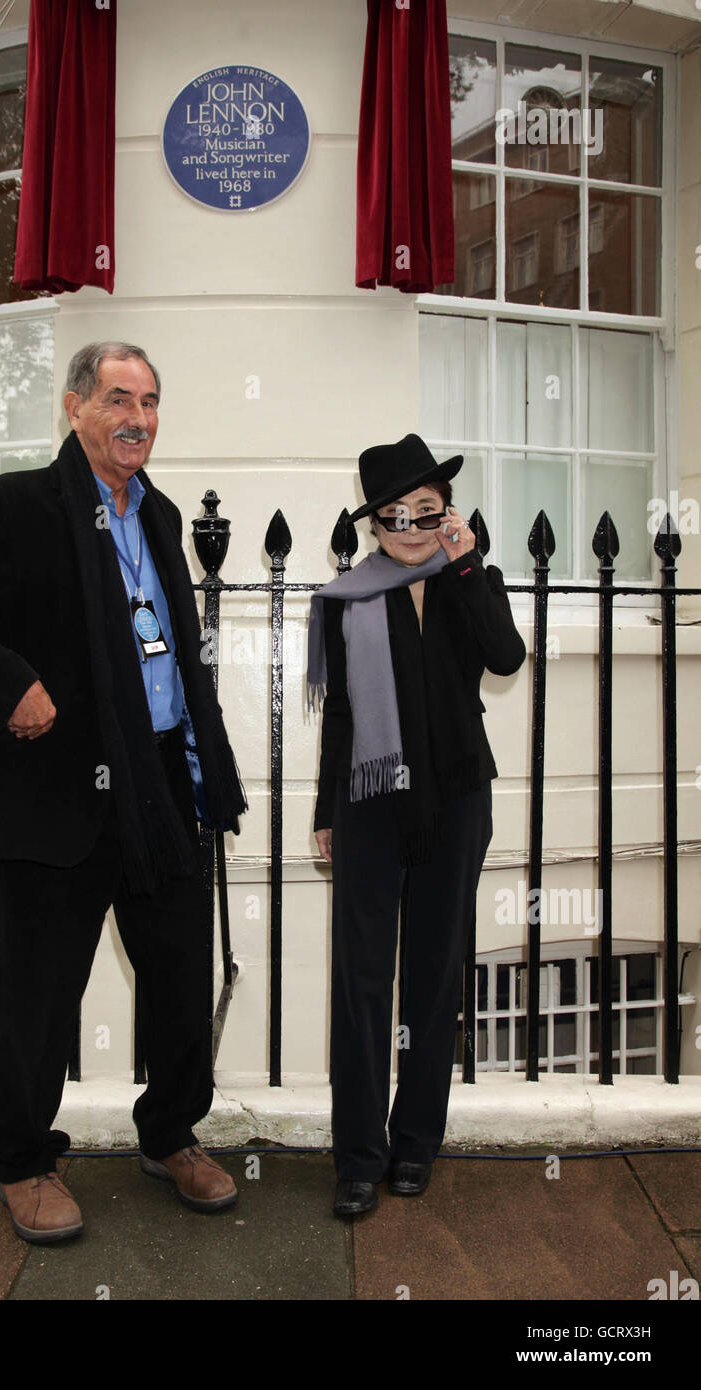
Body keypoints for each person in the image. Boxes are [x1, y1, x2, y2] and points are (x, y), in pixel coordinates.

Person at [0, 341, 247, 1242]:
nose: (139, 417)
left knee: (178, 978)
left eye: (153, 401)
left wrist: (203, 763)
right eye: (120, 398)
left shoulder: (162, 515)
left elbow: (165, 651)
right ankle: (23, 1161)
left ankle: (170, 1132)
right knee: (44, 996)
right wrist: (9, 683)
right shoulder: (19, 506)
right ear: (76, 407)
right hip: (60, 792)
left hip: (163, 785)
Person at [308, 434, 526, 1217]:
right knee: (362, 983)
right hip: (371, 806)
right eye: (393, 515)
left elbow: (506, 658)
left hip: (459, 797)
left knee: (433, 980)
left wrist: (465, 563)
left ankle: (415, 1144)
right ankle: (358, 1158)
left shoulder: (475, 579)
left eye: (424, 510)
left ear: (446, 511)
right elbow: (341, 712)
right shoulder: (347, 599)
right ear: (373, 524)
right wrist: (327, 812)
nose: (409, 525)